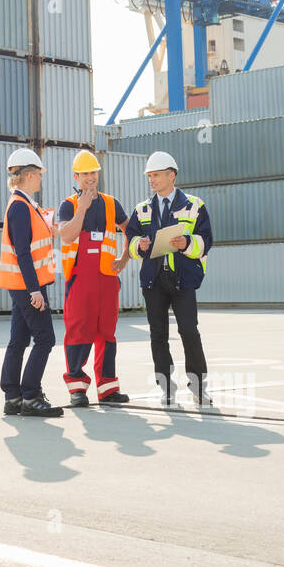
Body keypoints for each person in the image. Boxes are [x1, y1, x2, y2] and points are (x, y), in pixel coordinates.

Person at [124, 150, 214, 408]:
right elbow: (130, 243)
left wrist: (187, 242)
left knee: (189, 331)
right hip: (154, 281)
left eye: (156, 175)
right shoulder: (142, 210)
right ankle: (165, 389)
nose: (151, 180)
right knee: (158, 334)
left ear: (171, 176)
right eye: (149, 176)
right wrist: (138, 246)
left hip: (183, 279)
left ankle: (199, 387)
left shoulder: (194, 206)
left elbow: (206, 241)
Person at [56, 150, 131, 408]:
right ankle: (77, 388)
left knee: (107, 333)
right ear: (76, 176)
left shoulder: (112, 203)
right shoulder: (68, 204)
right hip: (80, 281)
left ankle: (108, 388)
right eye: (85, 173)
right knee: (78, 331)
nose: (90, 177)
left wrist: (124, 258)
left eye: (93, 172)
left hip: (107, 279)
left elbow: (129, 230)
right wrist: (82, 208)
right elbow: (66, 236)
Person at [0, 148, 64, 417]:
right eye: (38, 174)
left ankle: (13, 396)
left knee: (19, 339)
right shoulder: (20, 207)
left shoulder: (25, 205)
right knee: (45, 338)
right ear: (26, 175)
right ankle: (31, 395)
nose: (40, 179)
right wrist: (34, 290)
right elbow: (22, 251)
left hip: (22, 284)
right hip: (28, 286)